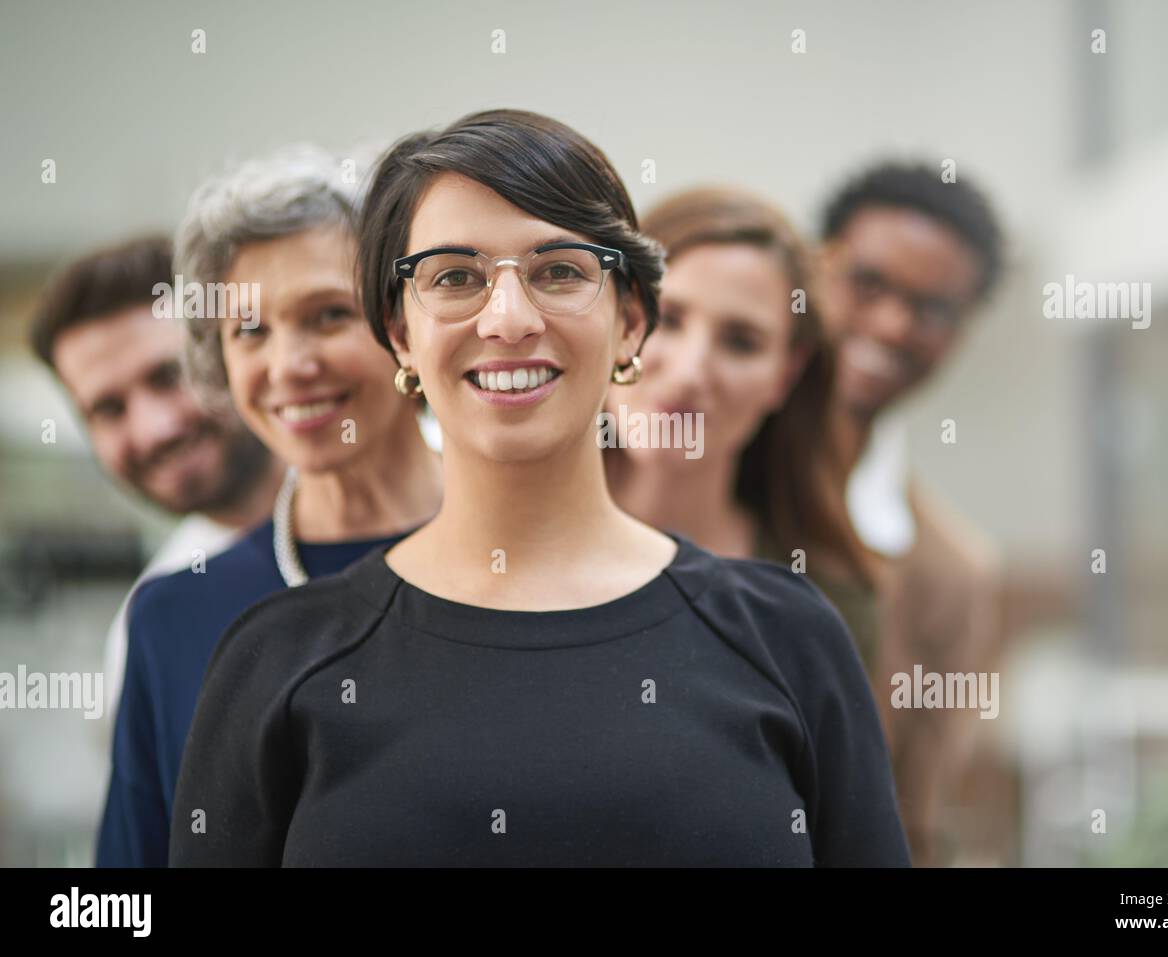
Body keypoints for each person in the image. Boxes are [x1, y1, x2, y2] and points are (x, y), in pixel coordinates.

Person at [169, 109, 910, 867]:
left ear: (628, 322)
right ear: (399, 334)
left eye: (559, 271)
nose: (510, 318)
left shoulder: (788, 638)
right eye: (455, 277)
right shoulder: (277, 659)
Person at [96, 146, 444, 867]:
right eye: (249, 330)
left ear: (406, 328)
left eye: (327, 315)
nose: (288, 365)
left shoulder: (530, 563)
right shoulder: (175, 615)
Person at [605, 186, 883, 673]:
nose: (692, 371)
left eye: (740, 342)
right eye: (667, 319)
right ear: (614, 321)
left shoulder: (822, 605)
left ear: (785, 375)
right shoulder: (479, 536)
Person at [817, 161, 1005, 866]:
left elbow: (910, 823)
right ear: (813, 269)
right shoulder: (678, 471)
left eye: (931, 308)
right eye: (868, 284)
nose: (893, 323)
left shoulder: (951, 574)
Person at [28, 236, 282, 726]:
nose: (154, 430)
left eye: (169, 375)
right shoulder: (150, 629)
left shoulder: (444, 503)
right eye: (109, 409)